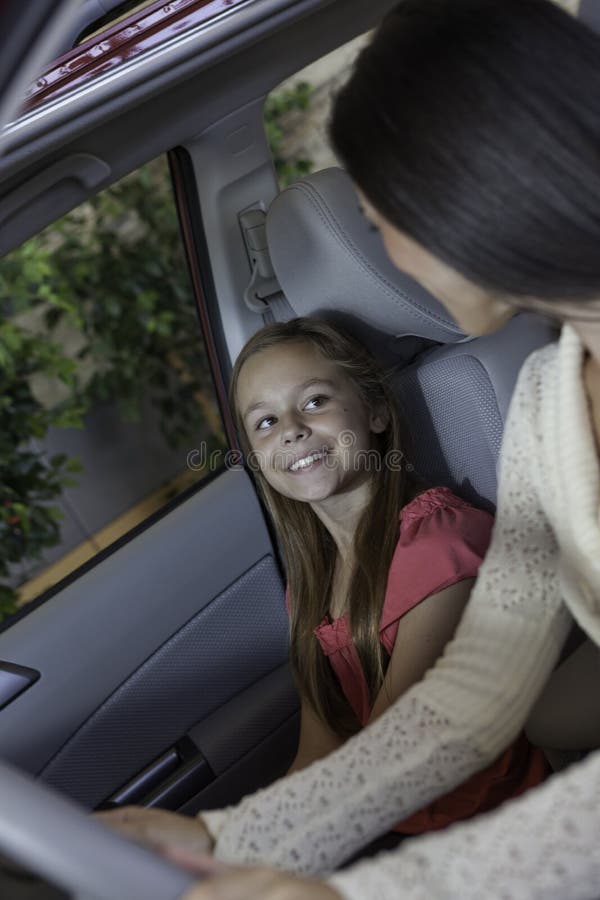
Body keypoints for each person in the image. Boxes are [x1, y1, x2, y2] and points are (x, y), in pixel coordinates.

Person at [100, 1, 600, 897]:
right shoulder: (541, 406)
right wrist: (232, 834)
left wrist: (363, 891)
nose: (394, 261)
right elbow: (472, 694)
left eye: (380, 222)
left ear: (476, 190)